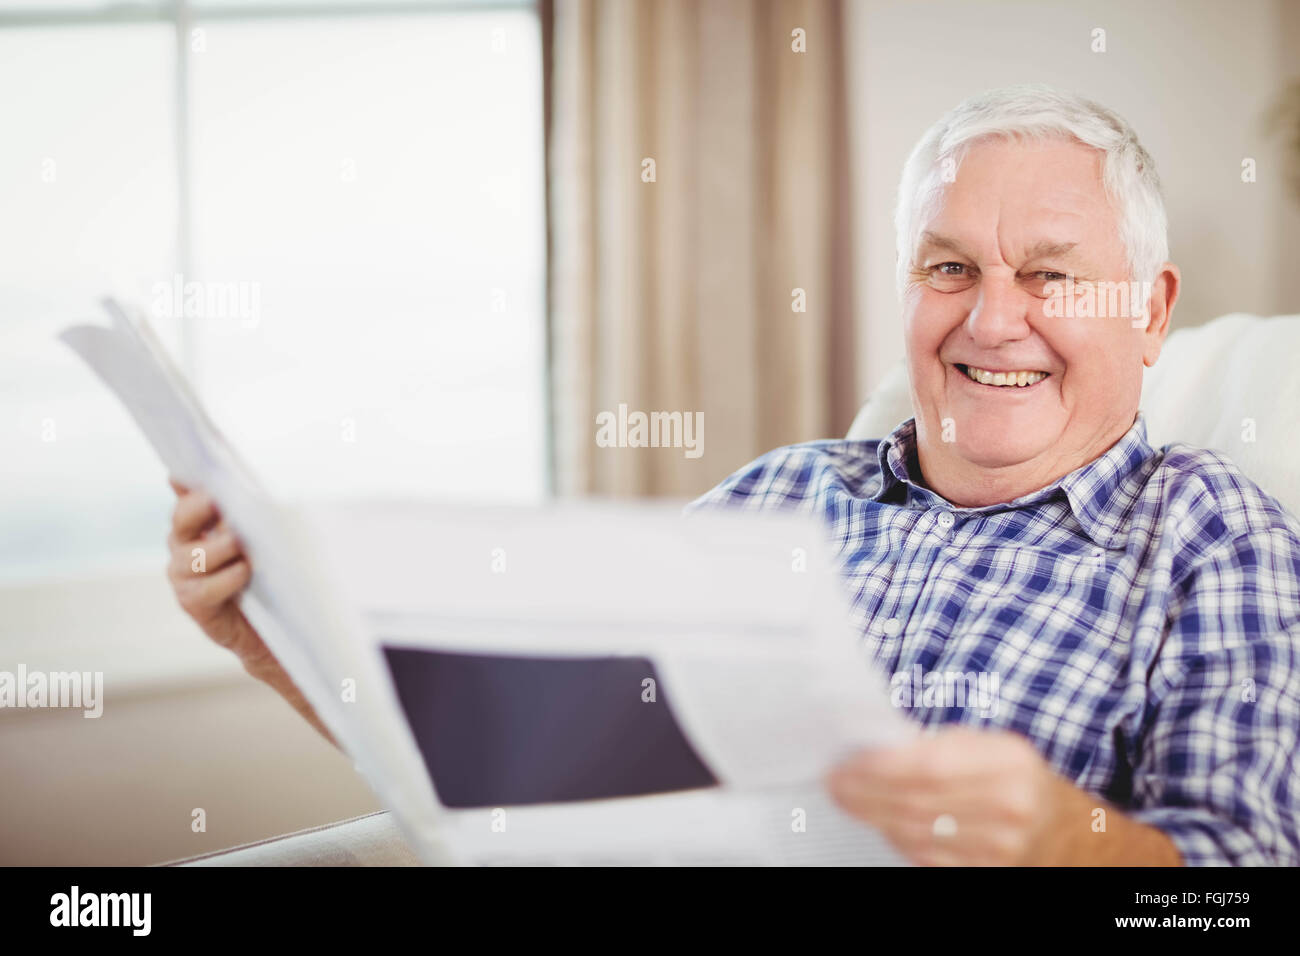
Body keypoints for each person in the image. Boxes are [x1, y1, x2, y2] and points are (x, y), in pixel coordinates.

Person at [166, 84, 1300, 866]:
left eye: (1050, 275)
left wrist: (1067, 840)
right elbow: (514, 765)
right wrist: (268, 637)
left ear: (1149, 311)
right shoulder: (781, 497)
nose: (991, 318)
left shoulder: (1211, 534)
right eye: (947, 265)